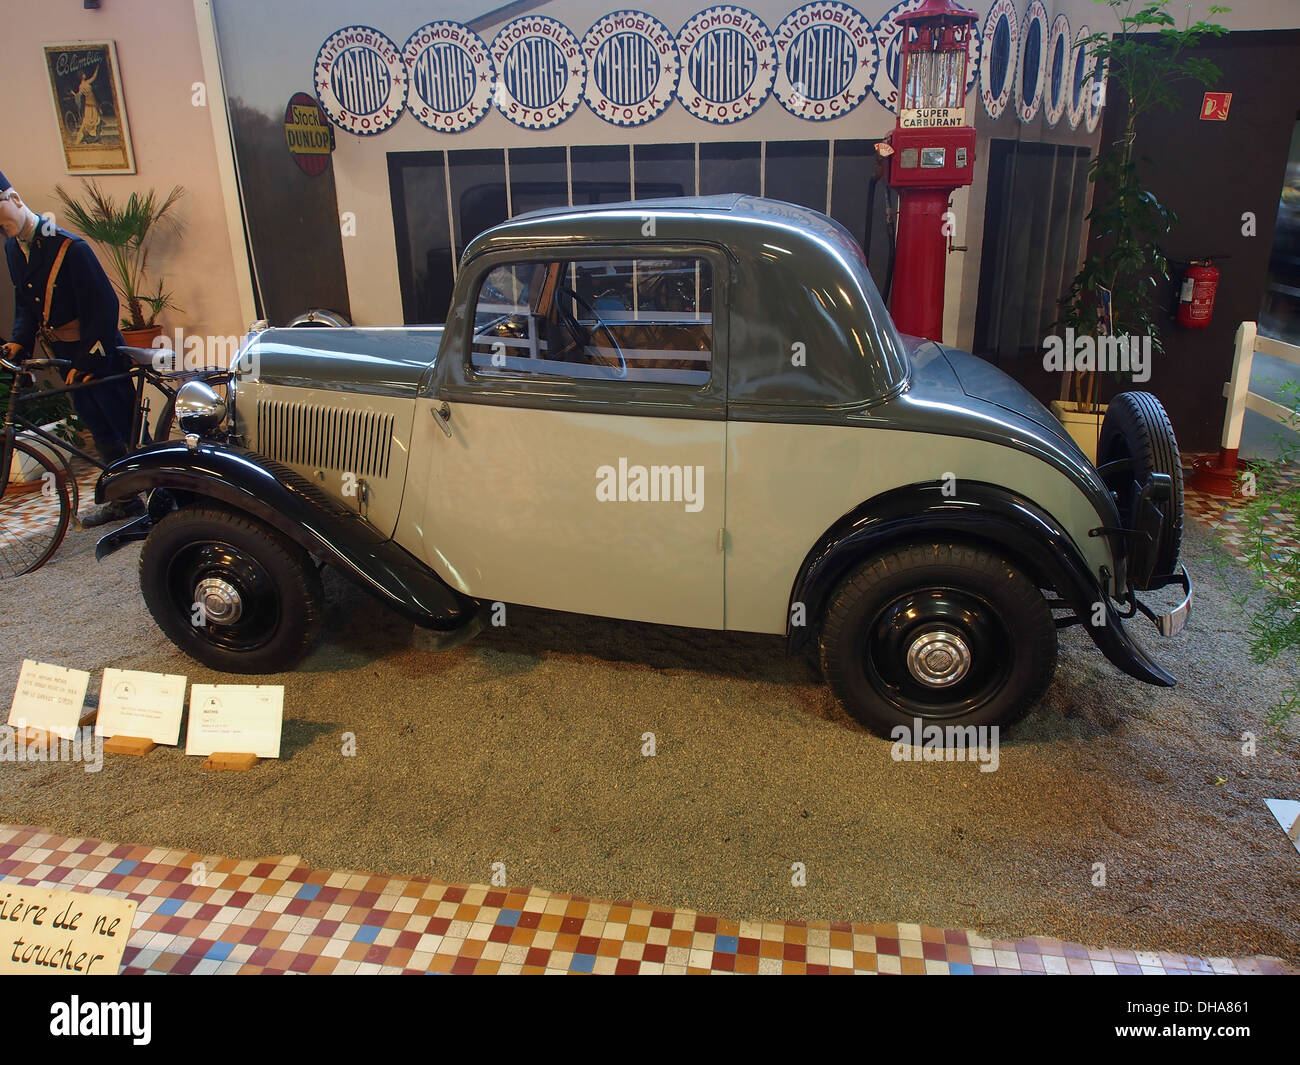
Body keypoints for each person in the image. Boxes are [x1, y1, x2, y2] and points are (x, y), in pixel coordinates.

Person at [0, 169, 144, 525]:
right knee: (97, 427)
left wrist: (90, 360)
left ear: (16, 200)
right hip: (65, 355)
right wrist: (20, 339)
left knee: (123, 425)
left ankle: (167, 496)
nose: (3, 228)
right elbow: (26, 301)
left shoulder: (69, 247)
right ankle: (125, 502)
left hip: (100, 352)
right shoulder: (13, 249)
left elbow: (104, 307)